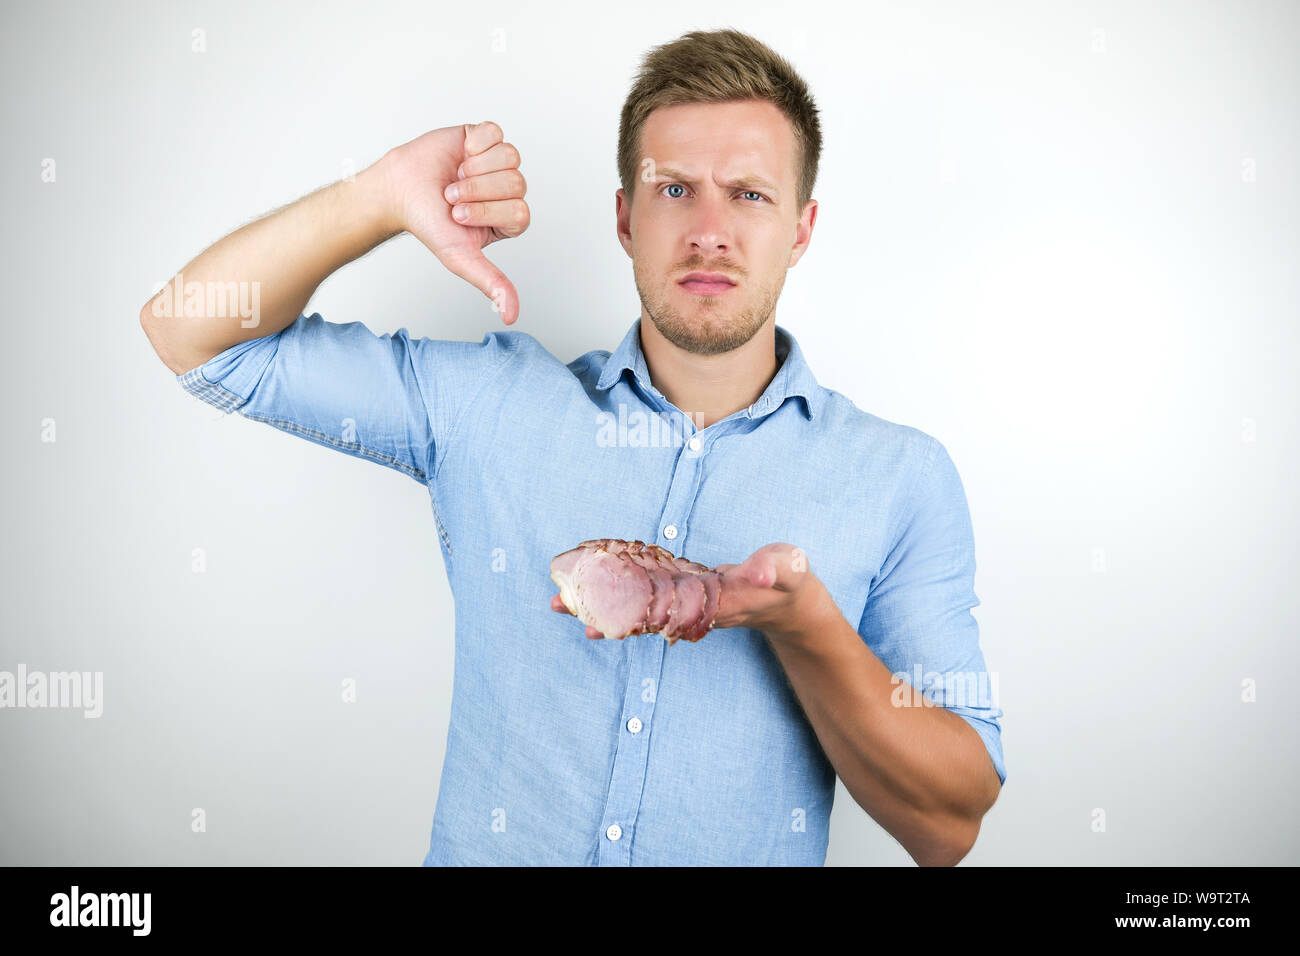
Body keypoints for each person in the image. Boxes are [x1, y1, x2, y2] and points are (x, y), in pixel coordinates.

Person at [140, 28, 1004, 866]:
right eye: (674, 191)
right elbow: (195, 339)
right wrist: (375, 197)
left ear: (802, 229)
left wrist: (808, 629)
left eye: (748, 194)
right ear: (624, 218)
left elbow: (949, 826)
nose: (709, 229)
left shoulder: (900, 479)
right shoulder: (488, 407)